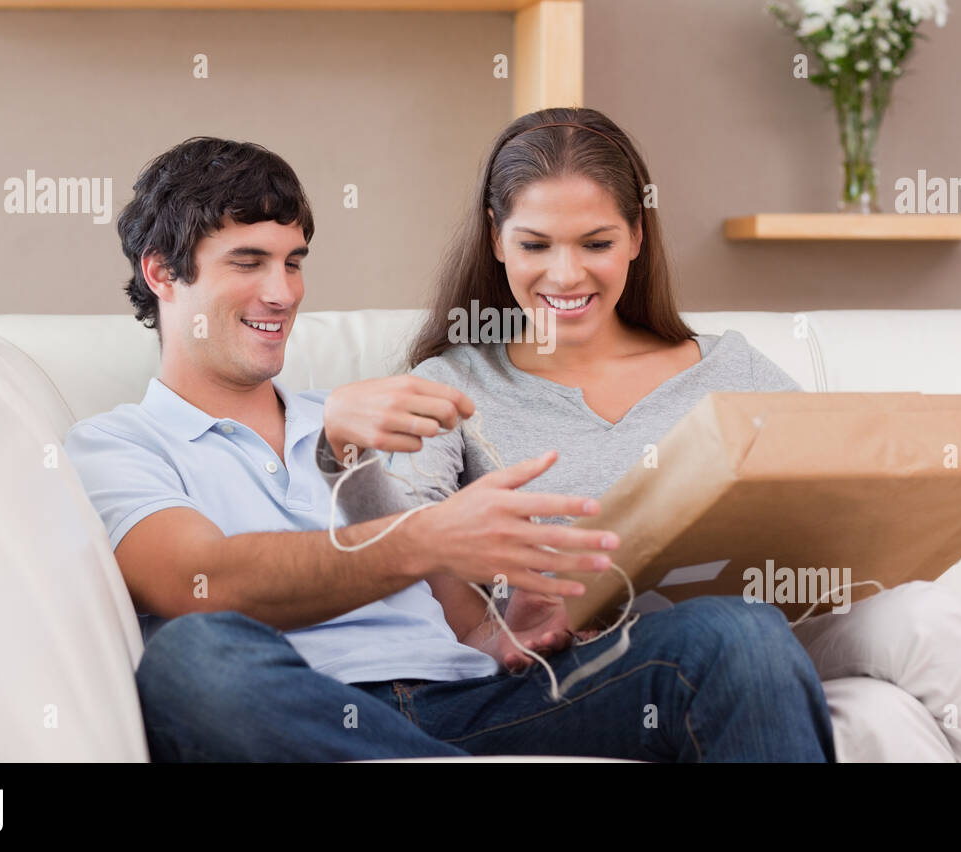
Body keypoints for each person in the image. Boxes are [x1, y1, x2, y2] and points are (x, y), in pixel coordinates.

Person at [318, 107, 961, 762]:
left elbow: (865, 491)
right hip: (600, 666)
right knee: (875, 721)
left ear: (636, 237)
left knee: (922, 614)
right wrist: (482, 623)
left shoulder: (727, 370)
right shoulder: (455, 384)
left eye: (595, 242)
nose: (566, 275)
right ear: (496, 239)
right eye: (535, 245)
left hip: (773, 629)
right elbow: (394, 544)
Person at [63, 135, 836, 762]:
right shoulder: (117, 446)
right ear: (162, 273)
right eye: (249, 262)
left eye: (293, 262)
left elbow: (463, 624)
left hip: (475, 704)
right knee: (193, 660)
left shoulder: (370, 419)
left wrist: (511, 625)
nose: (283, 292)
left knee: (738, 635)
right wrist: (426, 535)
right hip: (308, 707)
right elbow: (201, 583)